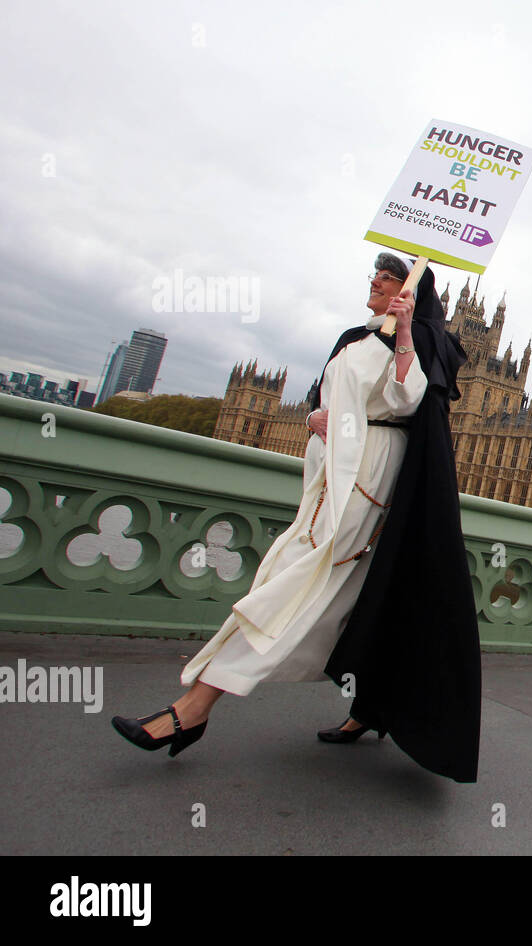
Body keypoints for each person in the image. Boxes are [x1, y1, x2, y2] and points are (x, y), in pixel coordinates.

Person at [113, 254, 482, 782]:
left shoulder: (422, 341)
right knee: (370, 594)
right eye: (374, 275)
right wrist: (314, 417)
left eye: (388, 277)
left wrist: (403, 331)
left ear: (411, 290)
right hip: (329, 475)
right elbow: (324, 400)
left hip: (367, 480)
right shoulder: (355, 337)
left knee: (292, 585)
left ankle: (193, 709)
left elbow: (408, 399)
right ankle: (372, 706)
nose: (375, 282)